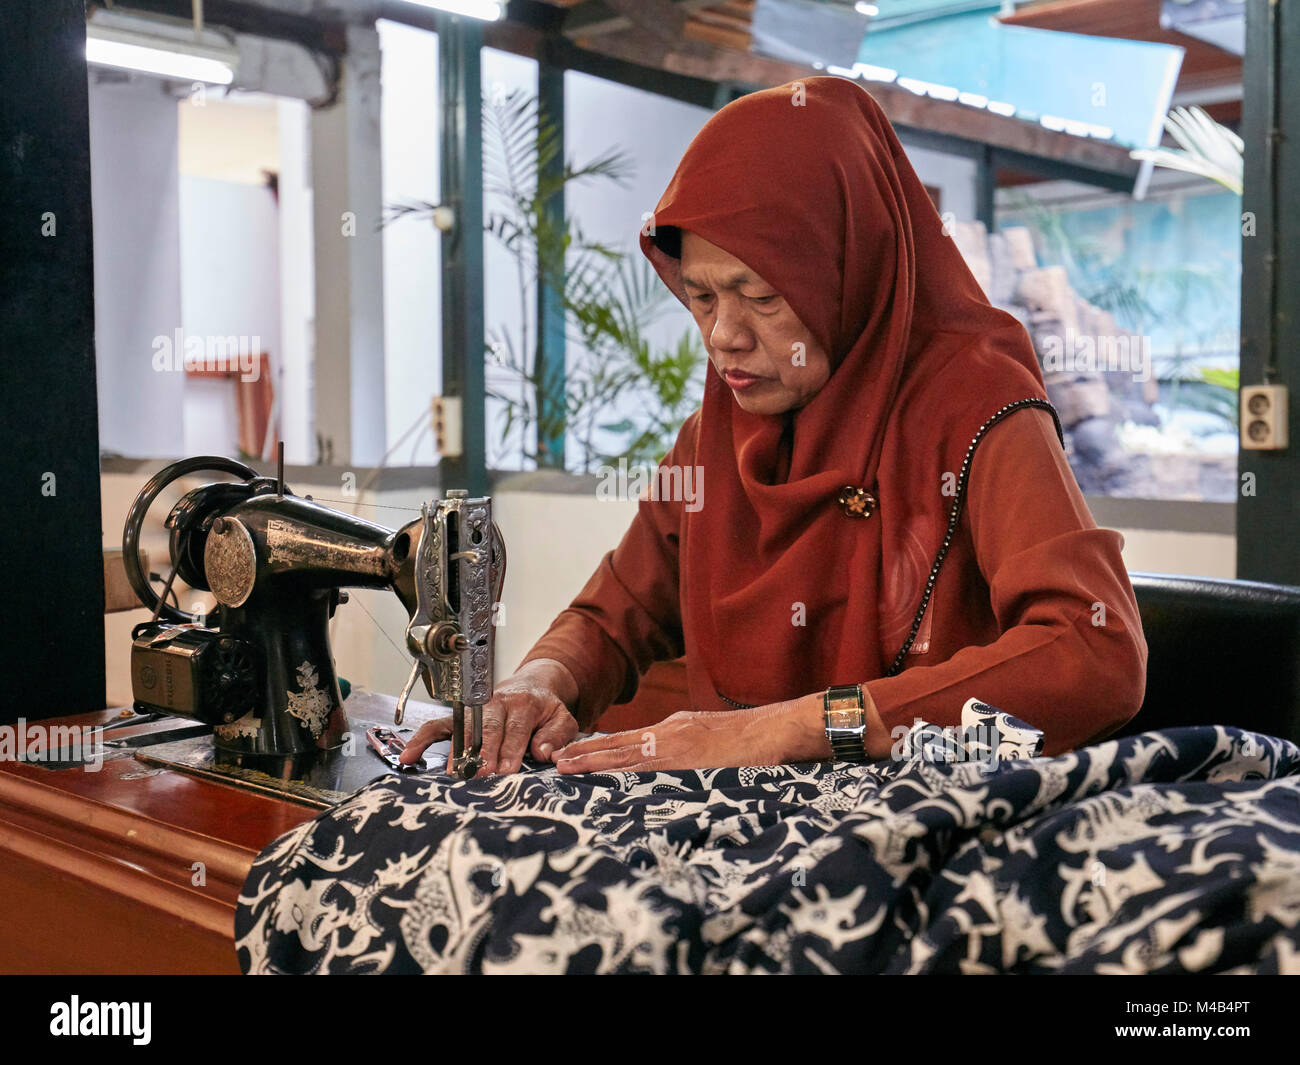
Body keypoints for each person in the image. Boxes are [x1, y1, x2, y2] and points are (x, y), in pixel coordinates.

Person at [401, 76, 1147, 775]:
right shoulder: (716, 437)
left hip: (928, 817)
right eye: (700, 297)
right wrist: (537, 682)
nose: (722, 335)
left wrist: (788, 727)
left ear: (847, 273)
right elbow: (616, 612)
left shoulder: (978, 408)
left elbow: (1094, 650)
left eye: (759, 296)